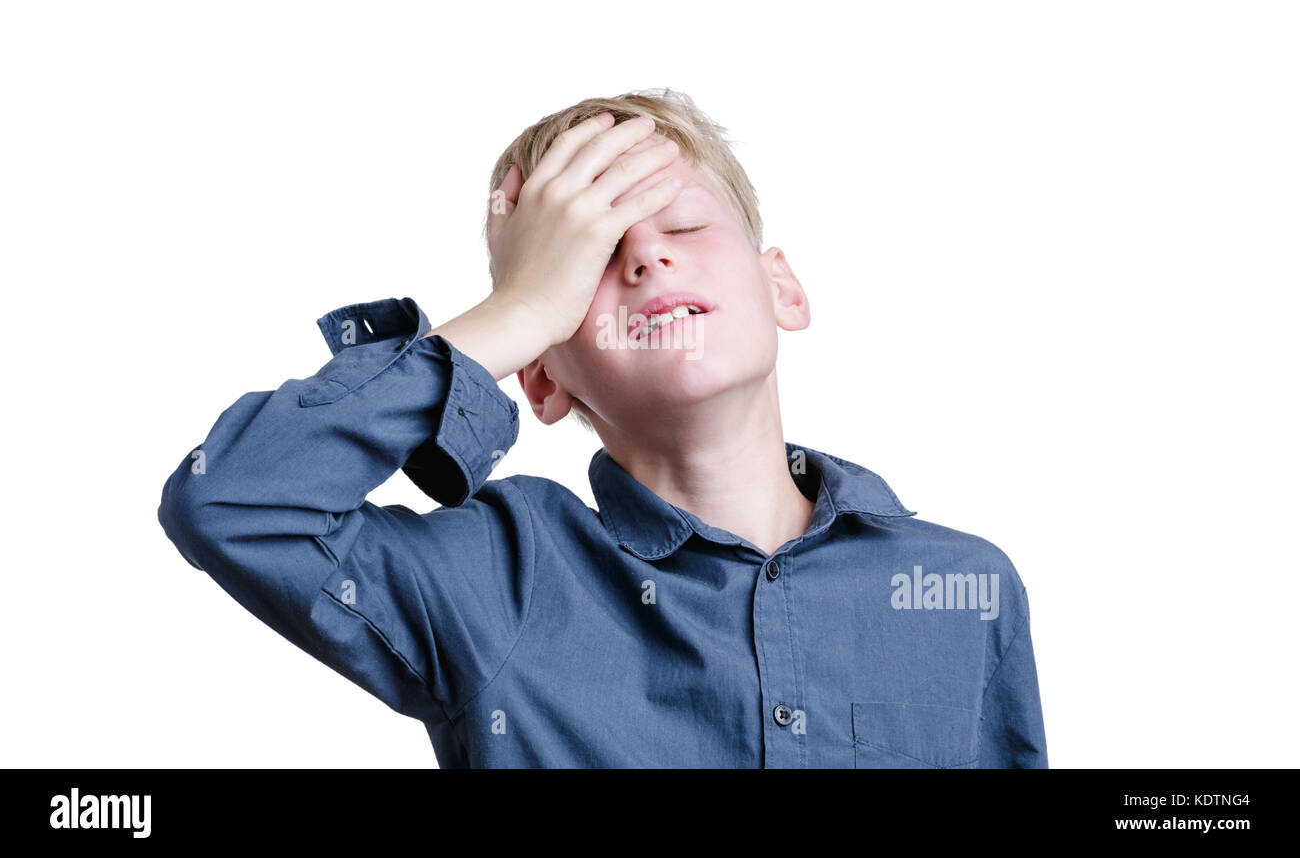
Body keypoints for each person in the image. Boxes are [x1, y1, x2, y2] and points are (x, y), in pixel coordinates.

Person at [157, 87, 1048, 768]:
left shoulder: (964, 586)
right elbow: (231, 504)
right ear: (541, 375)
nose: (649, 256)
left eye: (686, 225)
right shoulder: (496, 577)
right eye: (589, 265)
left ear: (783, 287)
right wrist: (512, 310)